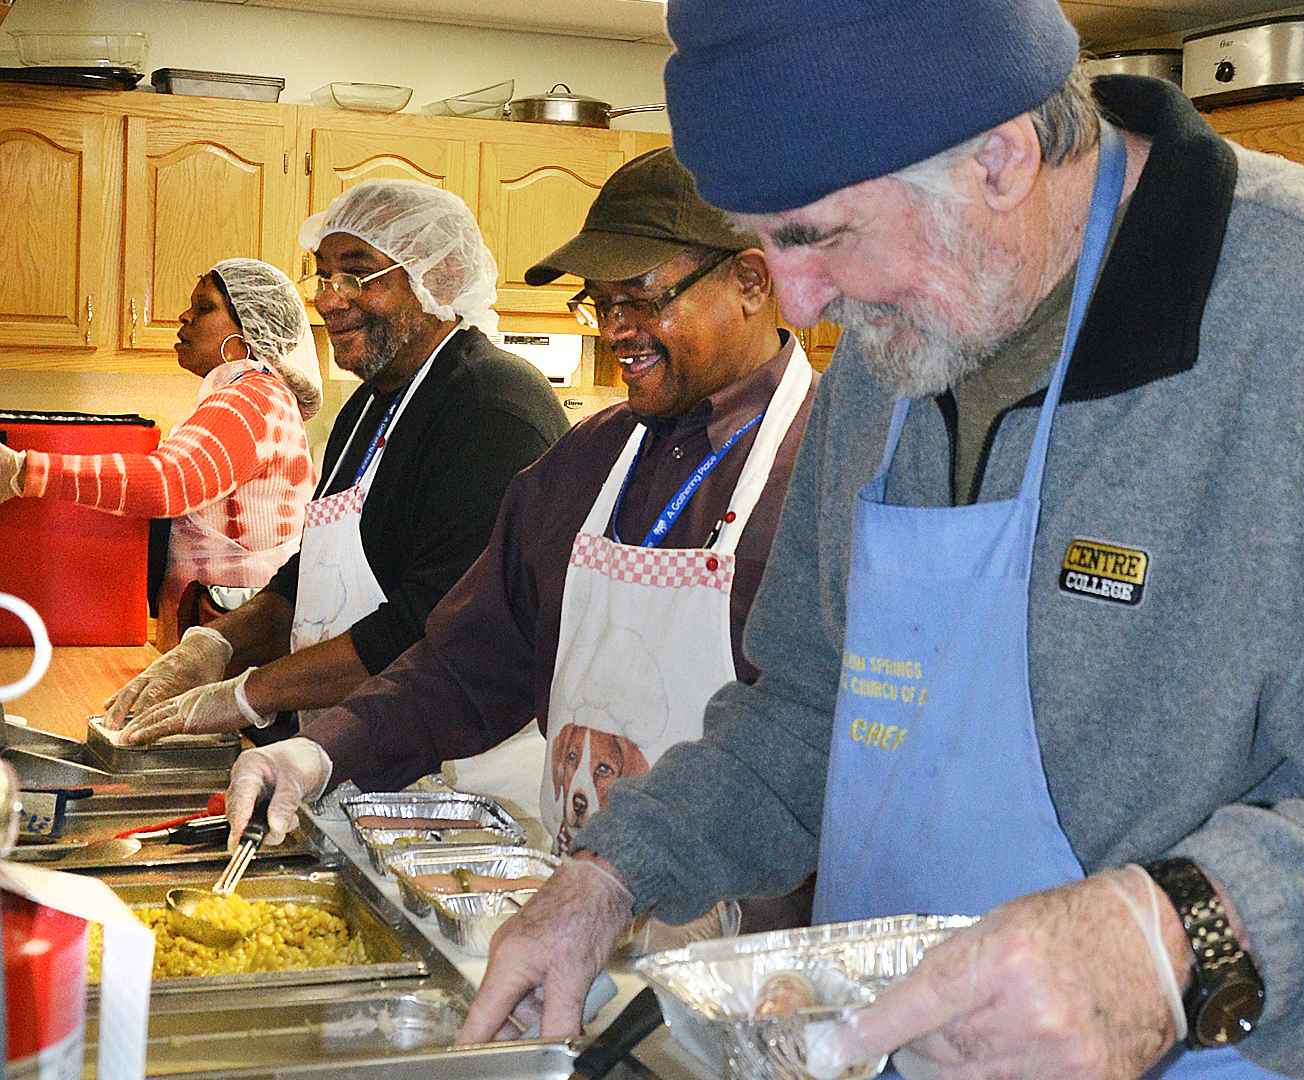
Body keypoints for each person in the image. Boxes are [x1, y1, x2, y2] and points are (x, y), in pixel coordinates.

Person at [455, 1, 1304, 1078]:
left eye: (817, 235)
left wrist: (1178, 931)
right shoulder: (895, 340)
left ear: (997, 159)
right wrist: (612, 875)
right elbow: (814, 704)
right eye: (764, 243)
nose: (800, 300)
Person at [224, 149, 818, 929]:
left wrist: (740, 912)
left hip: (754, 953)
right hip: (575, 912)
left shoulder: (832, 470)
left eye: (641, 299)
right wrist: (322, 751)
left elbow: (851, 748)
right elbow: (467, 664)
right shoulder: (581, 465)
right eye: (598, 303)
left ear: (750, 281)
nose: (616, 332)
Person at [101, 179, 570, 746]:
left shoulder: (491, 407)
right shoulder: (373, 402)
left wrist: (249, 693)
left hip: (456, 768)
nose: (326, 298)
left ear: (438, 278)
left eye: (356, 274)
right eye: (323, 275)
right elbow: (312, 574)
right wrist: (215, 645)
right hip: (359, 745)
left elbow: (431, 625)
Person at [0, 259, 321, 651]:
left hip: (231, 631)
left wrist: (23, 471)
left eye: (204, 308)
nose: (184, 316)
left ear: (246, 335)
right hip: (235, 625)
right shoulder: (262, 395)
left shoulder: (250, 399)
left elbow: (168, 482)